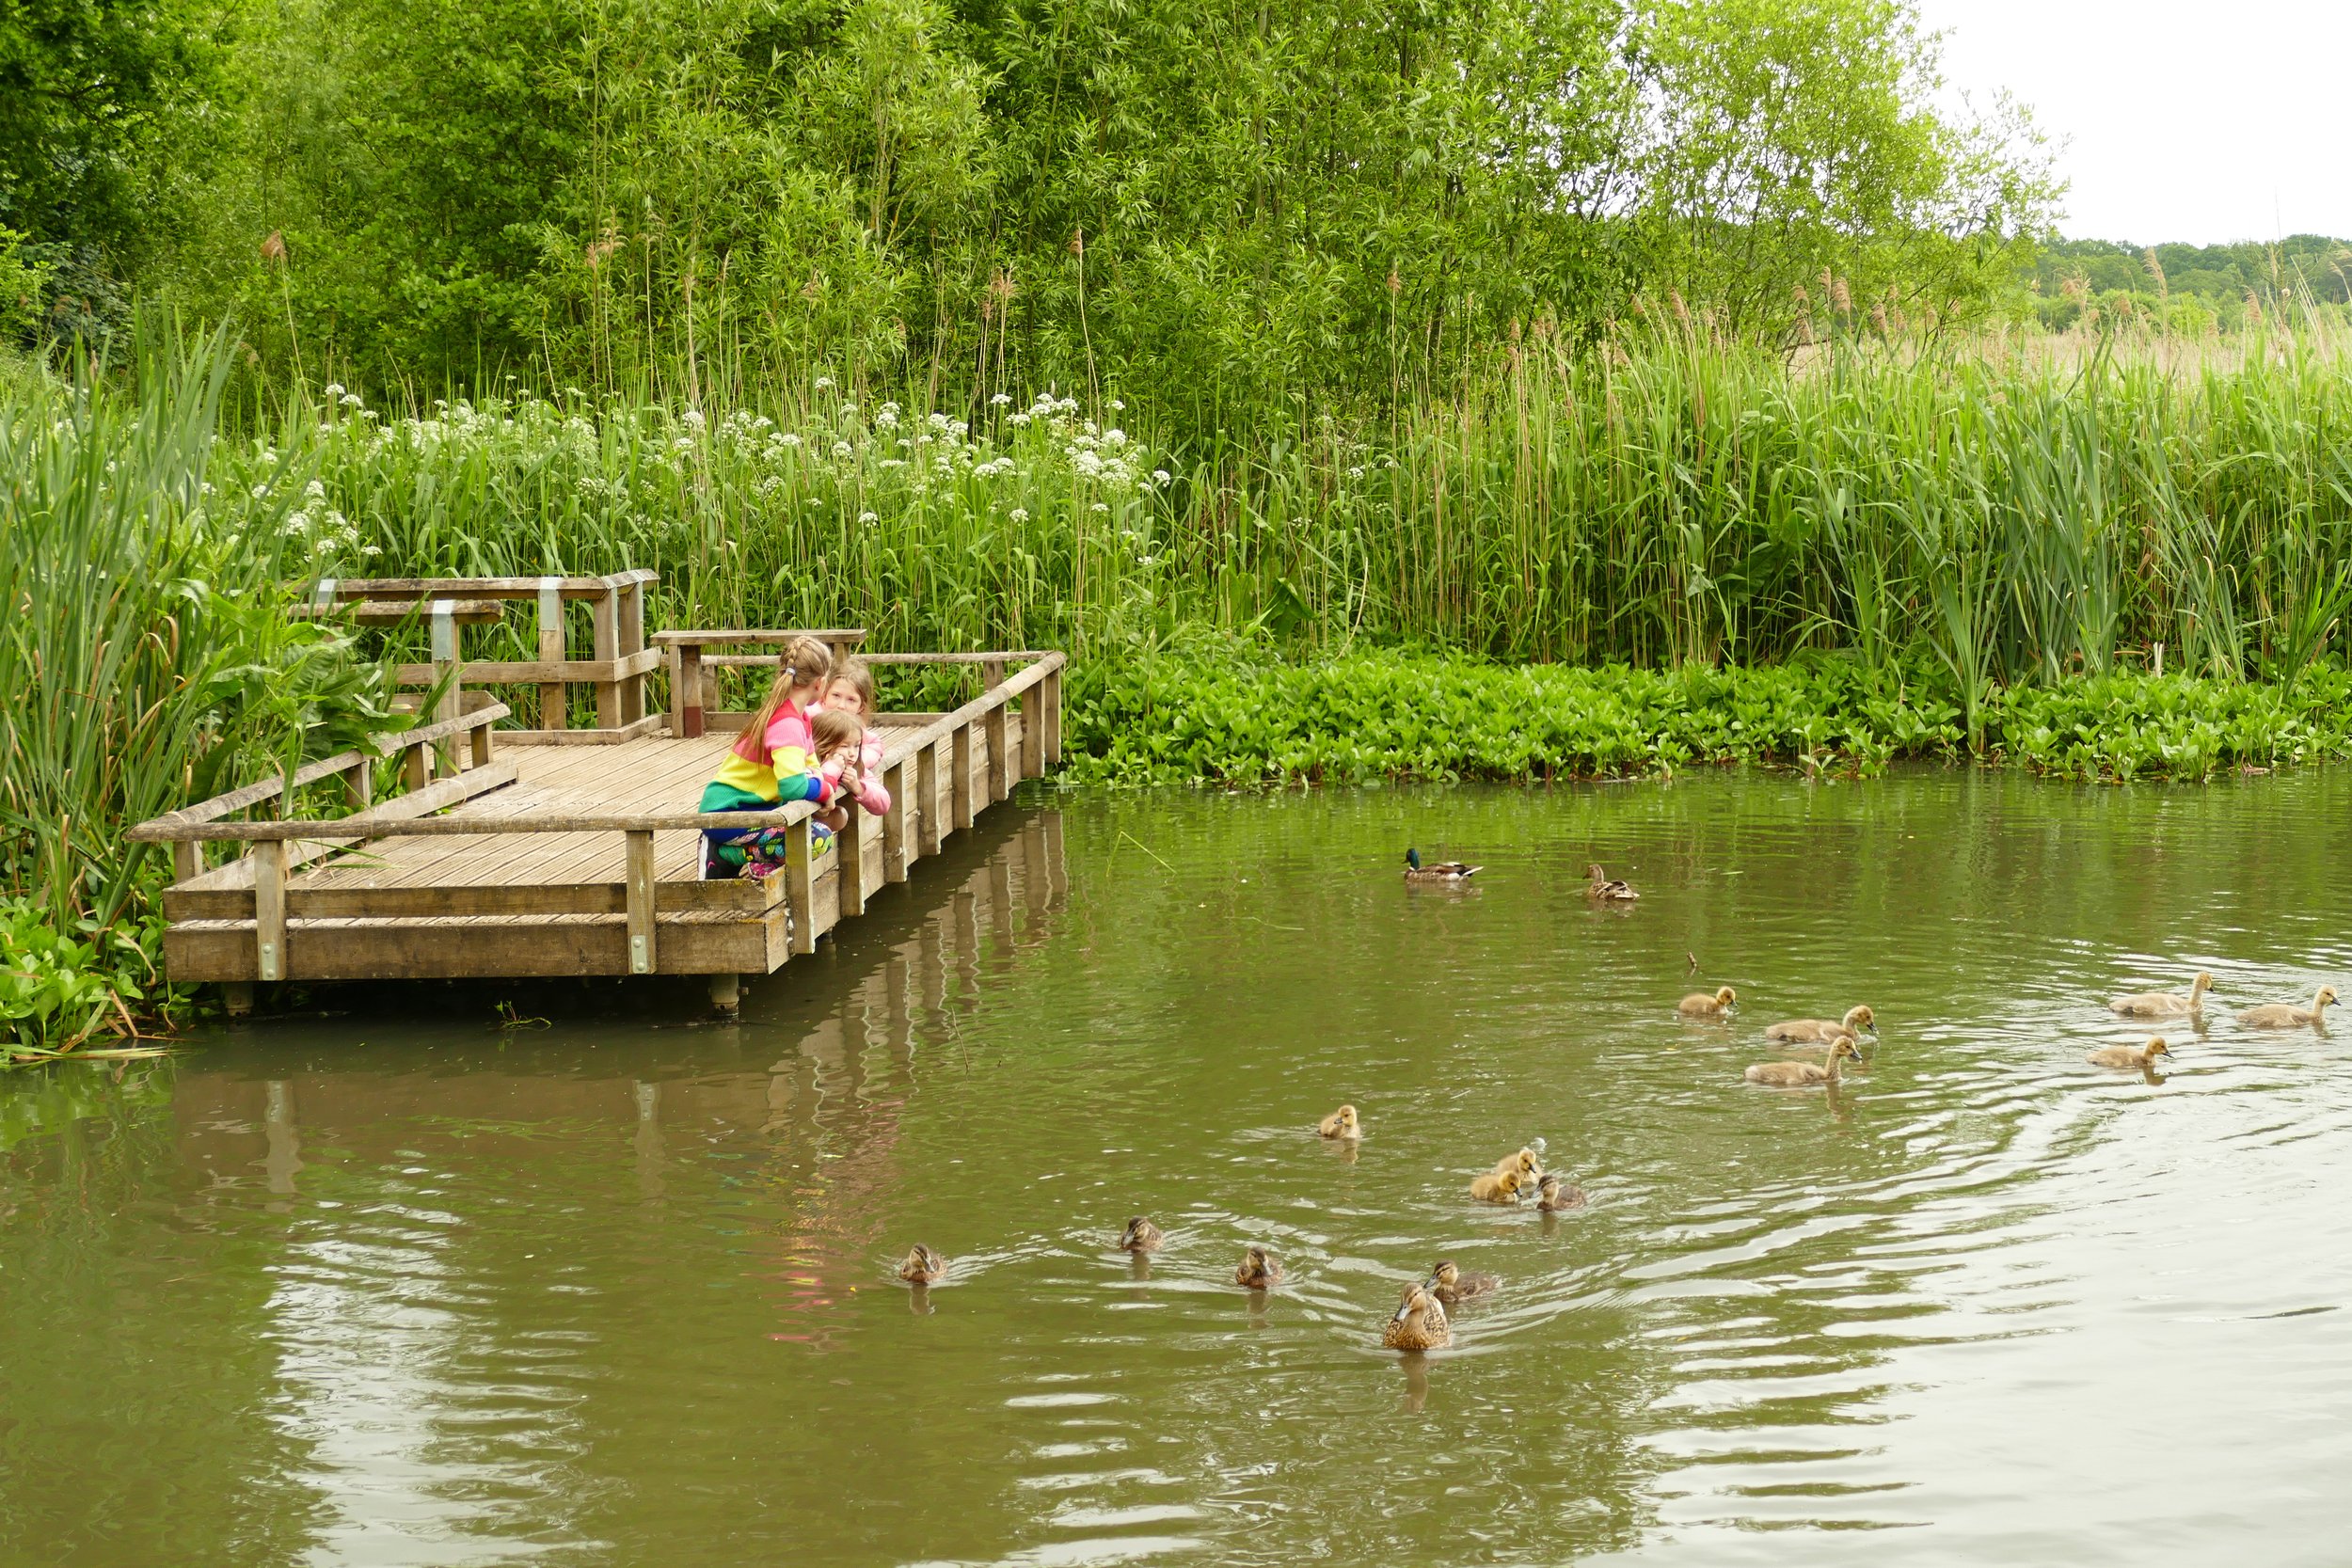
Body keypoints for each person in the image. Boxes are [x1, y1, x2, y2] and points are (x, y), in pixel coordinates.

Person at [698, 636, 838, 879]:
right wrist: (825, 791)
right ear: (820, 683)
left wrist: (828, 782)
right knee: (819, 839)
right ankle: (724, 853)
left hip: (758, 810)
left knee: (813, 831)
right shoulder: (787, 724)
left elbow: (813, 770)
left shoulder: (799, 717)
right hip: (726, 815)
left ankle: (759, 862)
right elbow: (793, 785)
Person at [813, 655, 893, 817]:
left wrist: (858, 783)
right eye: (836, 696)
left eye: (851, 700)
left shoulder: (854, 735)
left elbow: (884, 803)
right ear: (824, 695)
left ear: (861, 706)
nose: (841, 706)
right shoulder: (810, 718)